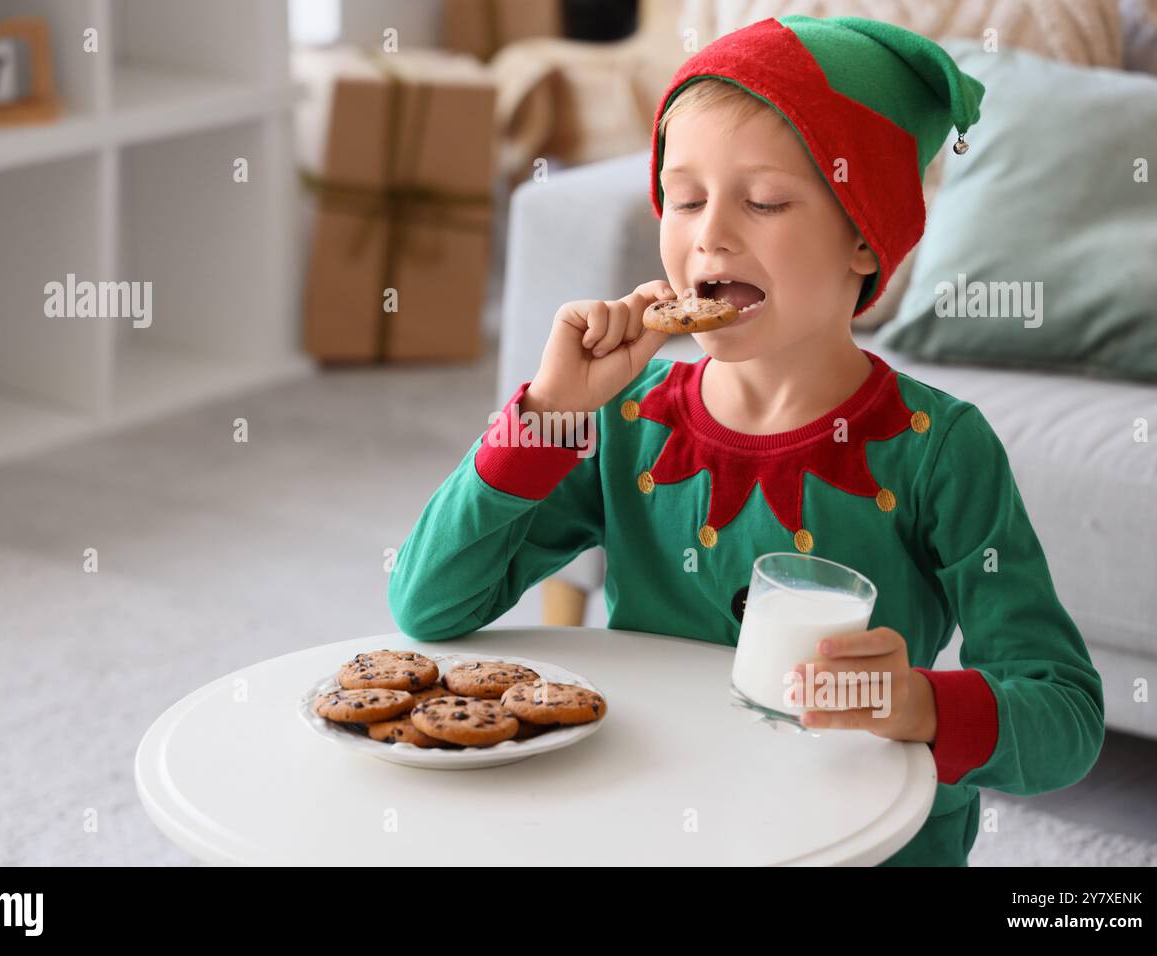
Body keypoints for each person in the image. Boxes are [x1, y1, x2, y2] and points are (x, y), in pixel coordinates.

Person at [387, 15, 1105, 866]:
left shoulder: (940, 450)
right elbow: (426, 604)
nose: (708, 235)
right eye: (683, 198)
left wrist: (917, 703)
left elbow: (1064, 716)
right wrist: (547, 413)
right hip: (661, 832)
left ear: (865, 239)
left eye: (763, 201)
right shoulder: (626, 421)